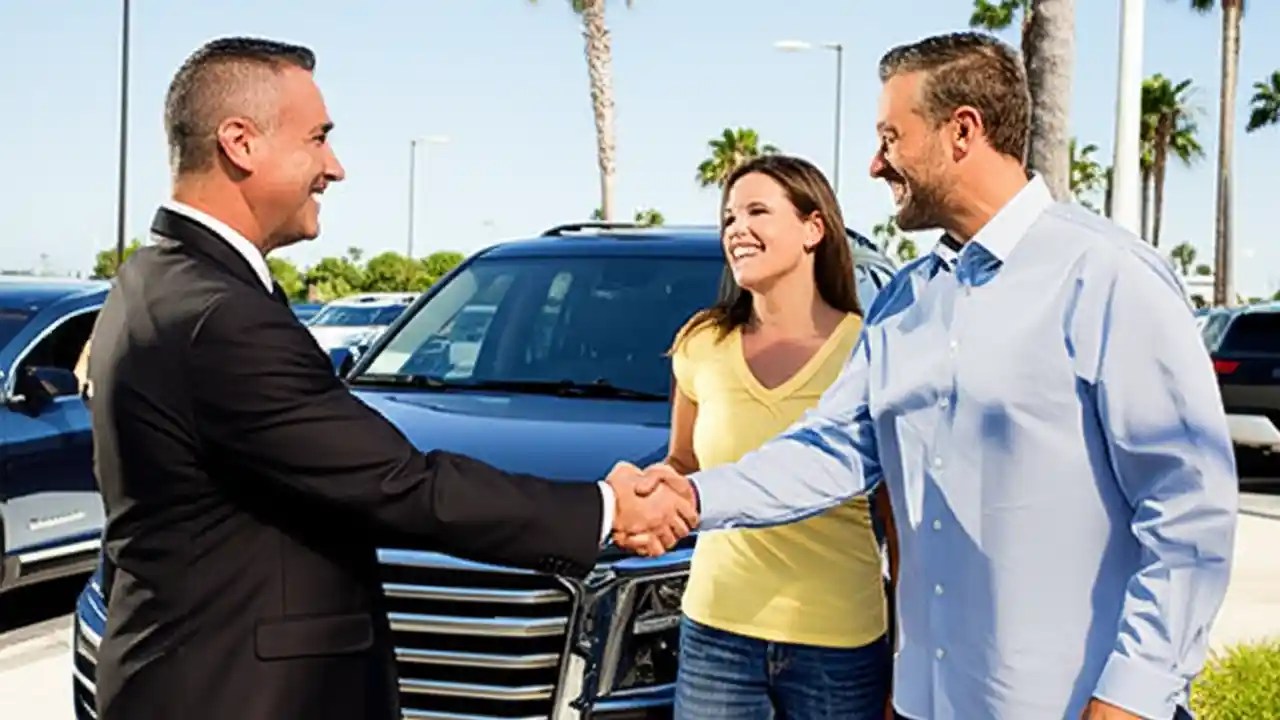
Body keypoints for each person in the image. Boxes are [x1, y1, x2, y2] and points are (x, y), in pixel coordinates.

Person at [612, 31, 1236, 720]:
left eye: (891, 137)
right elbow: (829, 451)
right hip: (928, 704)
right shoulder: (907, 301)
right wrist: (692, 499)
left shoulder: (1106, 276)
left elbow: (1188, 511)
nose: (876, 164)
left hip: (1070, 705)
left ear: (961, 131)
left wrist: (1132, 698)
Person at [86, 37, 693, 720]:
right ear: (240, 143)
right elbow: (400, 483)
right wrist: (608, 508)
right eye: (317, 139)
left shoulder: (152, 280)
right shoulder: (219, 315)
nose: (334, 167)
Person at [664, 154, 895, 719]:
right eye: (728, 218)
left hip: (840, 645)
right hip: (716, 634)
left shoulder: (871, 349)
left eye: (757, 212)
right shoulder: (701, 341)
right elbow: (682, 460)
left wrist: (907, 653)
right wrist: (651, 490)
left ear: (814, 228)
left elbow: (899, 518)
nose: (736, 229)